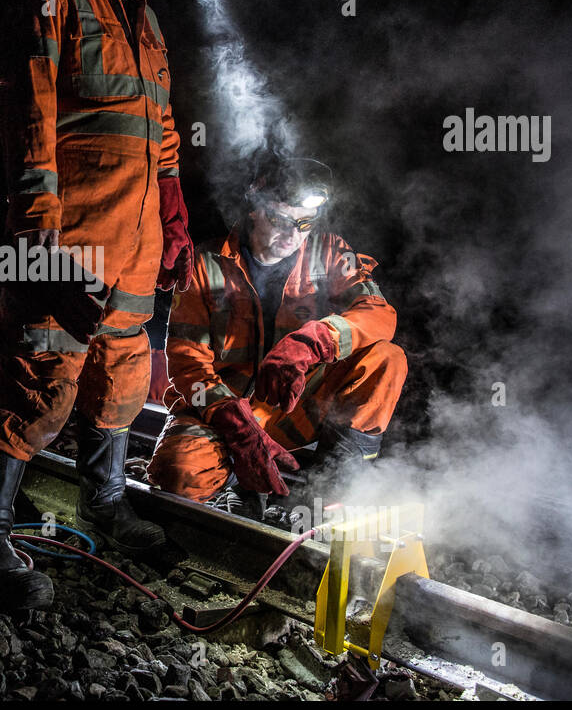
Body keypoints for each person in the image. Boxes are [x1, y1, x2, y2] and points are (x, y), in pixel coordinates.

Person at [0, 0, 196, 610]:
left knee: (121, 382)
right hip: (69, 241)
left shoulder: (144, 22)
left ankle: (106, 506)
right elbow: (27, 122)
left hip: (137, 245)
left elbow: (163, 133)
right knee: (37, 385)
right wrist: (39, 243)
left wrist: (175, 216)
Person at [147, 157, 407, 521]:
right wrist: (235, 424)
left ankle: (333, 487)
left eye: (304, 224)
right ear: (255, 208)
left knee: (386, 357)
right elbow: (188, 364)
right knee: (179, 476)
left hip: (291, 408)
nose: (293, 235)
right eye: (281, 221)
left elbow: (378, 312)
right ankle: (239, 480)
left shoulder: (329, 252)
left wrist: (315, 339)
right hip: (224, 414)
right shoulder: (207, 264)